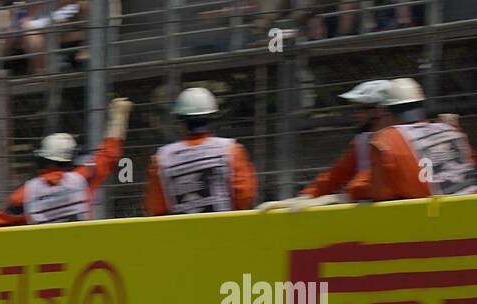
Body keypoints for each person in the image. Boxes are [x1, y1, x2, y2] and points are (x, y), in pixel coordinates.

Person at [0, 96, 131, 228]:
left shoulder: (24, 194)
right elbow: (110, 153)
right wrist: (119, 115)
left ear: (41, 159)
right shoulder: (83, 179)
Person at [258, 79, 390, 210]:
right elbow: (336, 174)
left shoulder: (396, 139)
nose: (355, 114)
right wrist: (307, 196)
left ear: (379, 110)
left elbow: (373, 175)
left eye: (359, 109)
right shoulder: (363, 141)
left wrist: (341, 197)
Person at [144, 86, 256, 215]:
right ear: (212, 117)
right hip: (226, 231)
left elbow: (156, 207)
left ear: (181, 121)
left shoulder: (161, 159)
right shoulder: (231, 150)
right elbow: (245, 197)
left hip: (181, 233)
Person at [364, 77, 476, 200]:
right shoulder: (452, 130)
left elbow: (380, 193)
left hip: (428, 215)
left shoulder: (386, 141)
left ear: (385, 111)